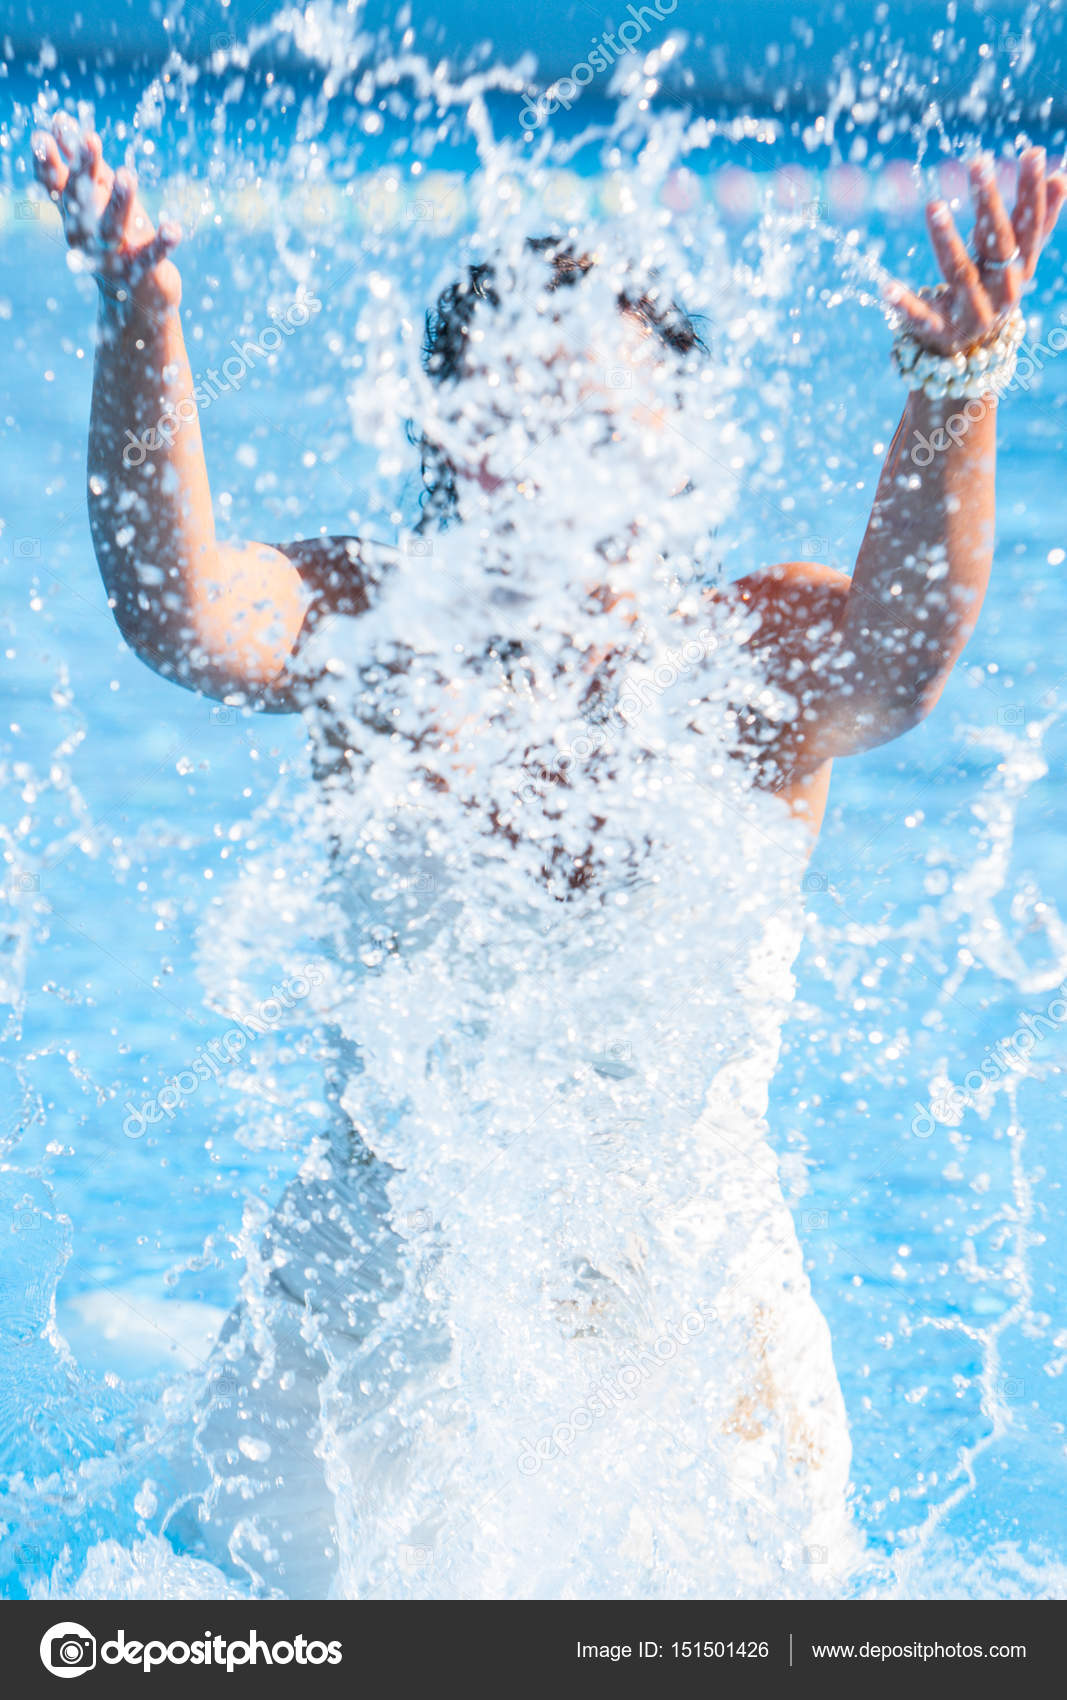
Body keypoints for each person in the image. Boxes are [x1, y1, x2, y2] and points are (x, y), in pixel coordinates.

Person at [30, 116, 1067, 1599]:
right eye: (532, 421)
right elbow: (183, 612)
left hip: (698, 1352)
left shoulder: (748, 649)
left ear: (675, 453)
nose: (567, 466)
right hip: (366, 1343)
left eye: (607, 428)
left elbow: (904, 656)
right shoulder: (366, 621)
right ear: (458, 439)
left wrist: (957, 388)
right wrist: (146, 332)